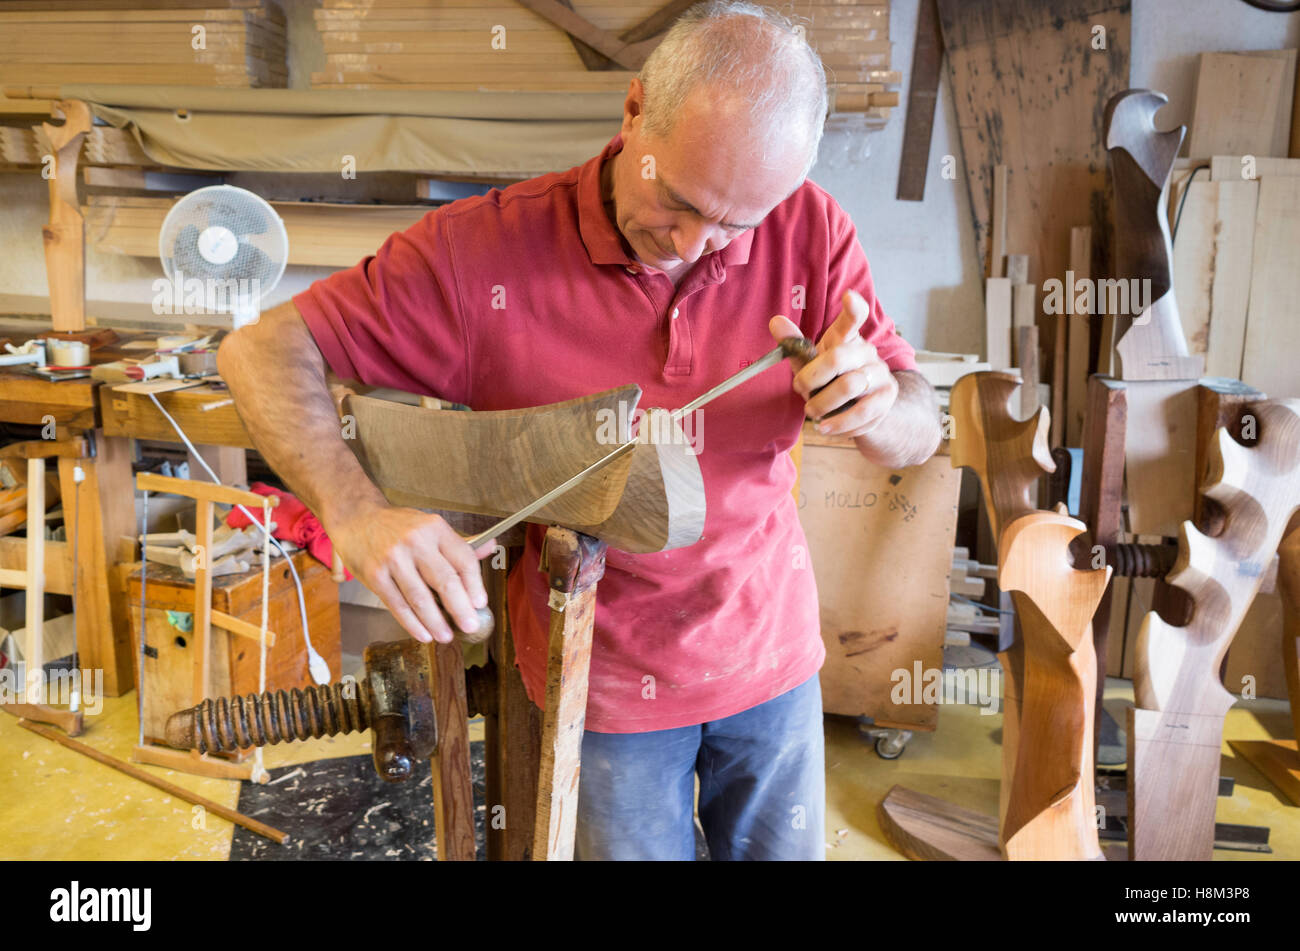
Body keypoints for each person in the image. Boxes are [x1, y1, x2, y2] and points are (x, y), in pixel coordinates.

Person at [218, 0, 941, 860]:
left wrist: (879, 407)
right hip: (602, 687)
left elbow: (917, 422)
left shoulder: (810, 227)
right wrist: (357, 513)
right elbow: (260, 351)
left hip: (770, 657)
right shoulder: (480, 255)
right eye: (676, 199)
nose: (695, 245)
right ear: (634, 111)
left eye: (735, 225)